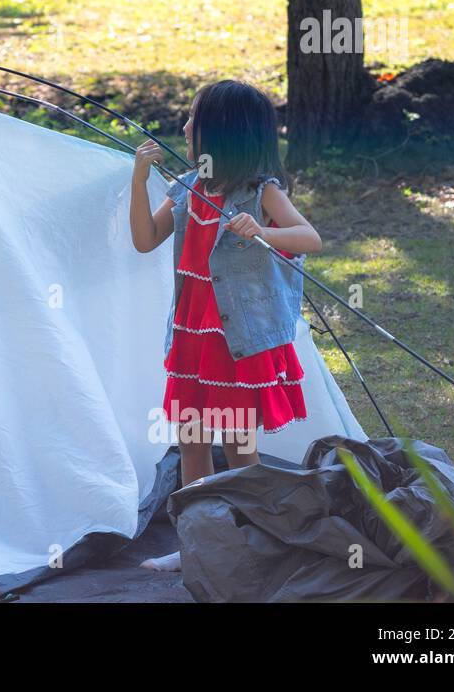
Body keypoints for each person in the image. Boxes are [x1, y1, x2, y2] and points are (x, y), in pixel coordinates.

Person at [128, 80, 323, 572]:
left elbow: (309, 238)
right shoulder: (188, 188)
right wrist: (139, 176)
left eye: (195, 120)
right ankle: (196, 544)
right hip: (193, 338)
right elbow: (144, 239)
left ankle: (259, 538)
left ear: (223, 134)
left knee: (238, 445)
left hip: (235, 343)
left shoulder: (261, 192)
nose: (186, 127)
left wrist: (262, 229)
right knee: (192, 441)